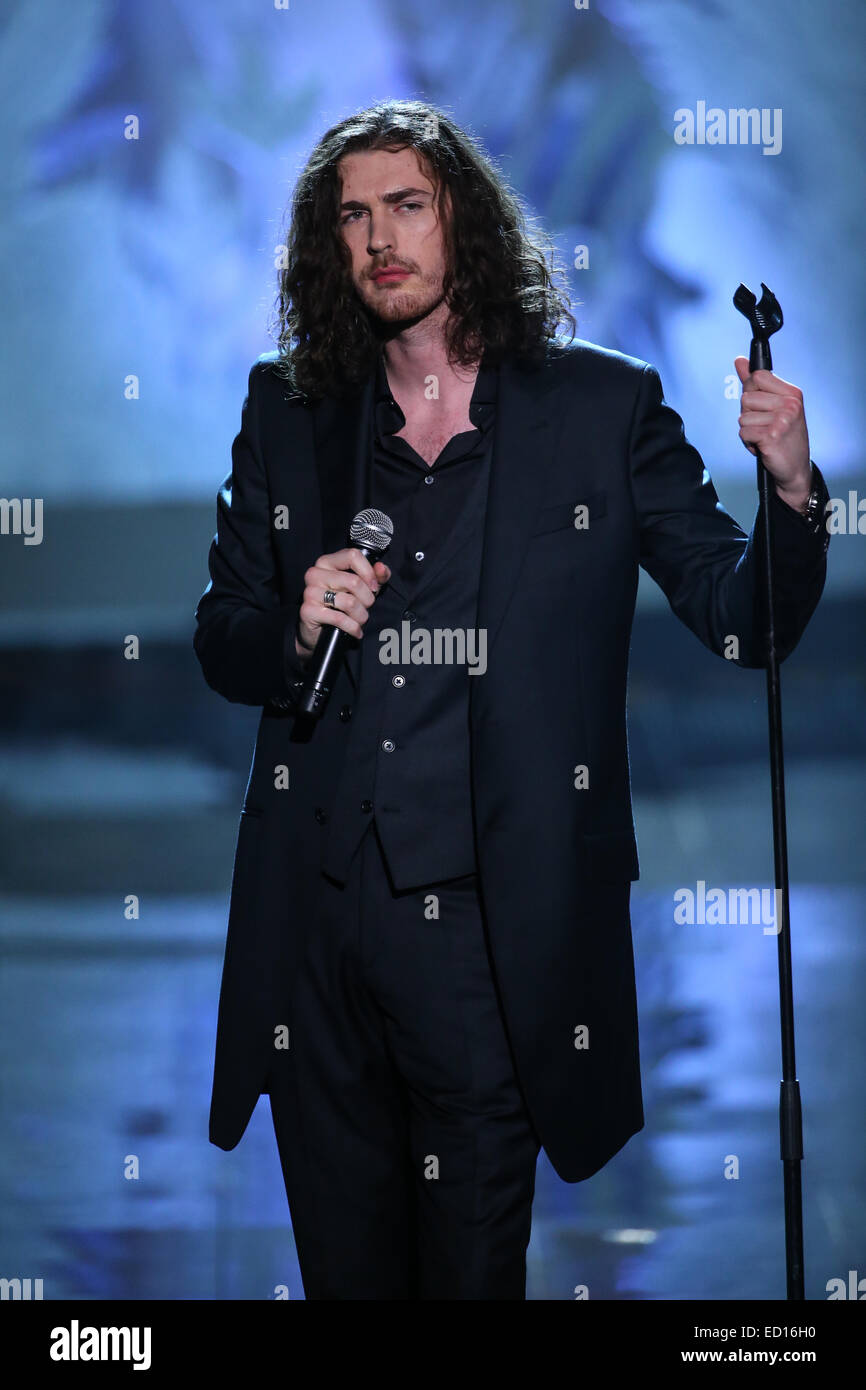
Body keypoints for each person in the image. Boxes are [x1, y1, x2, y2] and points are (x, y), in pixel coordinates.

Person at [193, 99, 830, 1300]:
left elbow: (742, 618)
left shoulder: (597, 409)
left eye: (406, 207)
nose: (378, 238)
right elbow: (219, 637)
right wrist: (287, 628)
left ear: (464, 220)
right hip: (317, 946)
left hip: (494, 944)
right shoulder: (290, 411)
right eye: (351, 218)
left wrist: (793, 492)